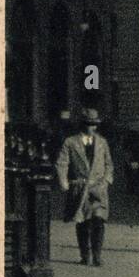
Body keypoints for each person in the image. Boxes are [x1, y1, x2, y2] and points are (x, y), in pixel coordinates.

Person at [55, 108, 114, 267]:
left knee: (99, 220)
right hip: (80, 189)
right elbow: (62, 163)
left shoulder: (102, 142)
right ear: (82, 124)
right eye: (89, 124)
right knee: (83, 222)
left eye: (95, 125)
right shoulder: (70, 142)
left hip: (98, 189)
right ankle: (84, 255)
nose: (92, 128)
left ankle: (97, 256)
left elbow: (109, 164)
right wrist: (64, 182)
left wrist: (107, 181)